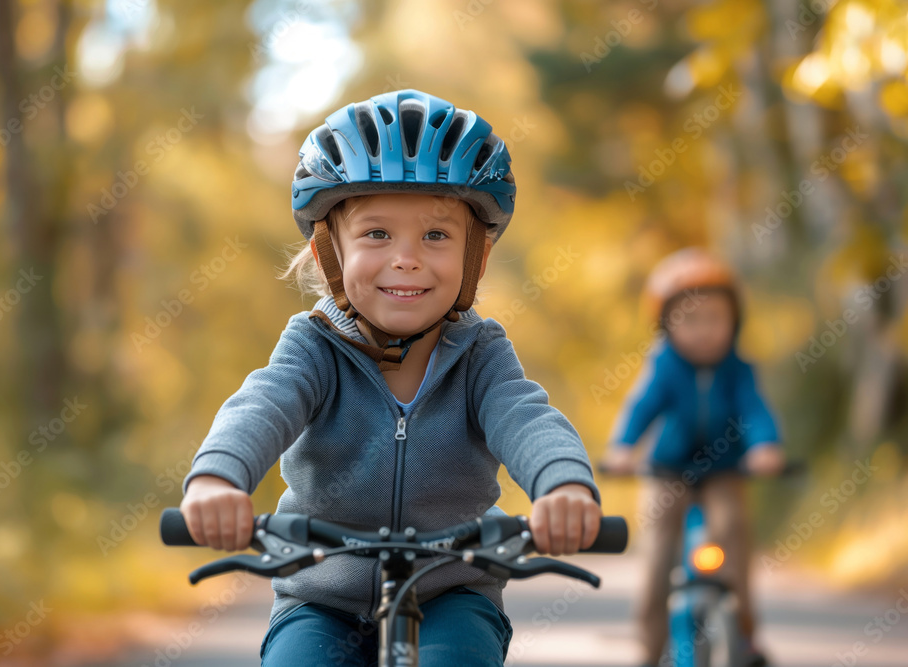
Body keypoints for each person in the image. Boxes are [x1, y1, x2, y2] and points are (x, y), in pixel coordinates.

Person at [178, 89, 603, 666]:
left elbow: (526, 417)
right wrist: (217, 480)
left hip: (452, 590)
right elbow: (263, 406)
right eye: (377, 234)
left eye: (435, 235)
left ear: (475, 259)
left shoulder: (481, 354)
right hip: (321, 594)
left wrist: (563, 487)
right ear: (329, 251)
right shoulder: (314, 348)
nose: (406, 258)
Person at [600, 247, 785, 667]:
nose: (703, 331)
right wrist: (623, 449)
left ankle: (744, 635)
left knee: (732, 532)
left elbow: (755, 411)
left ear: (734, 323)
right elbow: (641, 407)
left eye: (714, 319)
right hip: (667, 469)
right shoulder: (664, 365)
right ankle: (648, 648)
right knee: (658, 554)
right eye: (690, 320)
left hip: (725, 469)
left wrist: (765, 447)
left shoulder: (739, 368)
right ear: (665, 325)